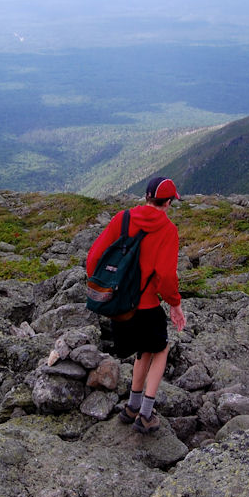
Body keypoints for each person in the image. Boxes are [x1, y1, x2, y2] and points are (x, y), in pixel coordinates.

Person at [86, 176, 187, 434]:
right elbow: (165, 276)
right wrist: (175, 305)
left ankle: (131, 406)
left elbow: (94, 256)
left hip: (120, 307)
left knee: (143, 351)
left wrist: (102, 290)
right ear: (167, 203)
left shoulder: (123, 218)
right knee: (160, 349)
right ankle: (145, 414)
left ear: (146, 197)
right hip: (146, 305)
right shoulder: (168, 230)